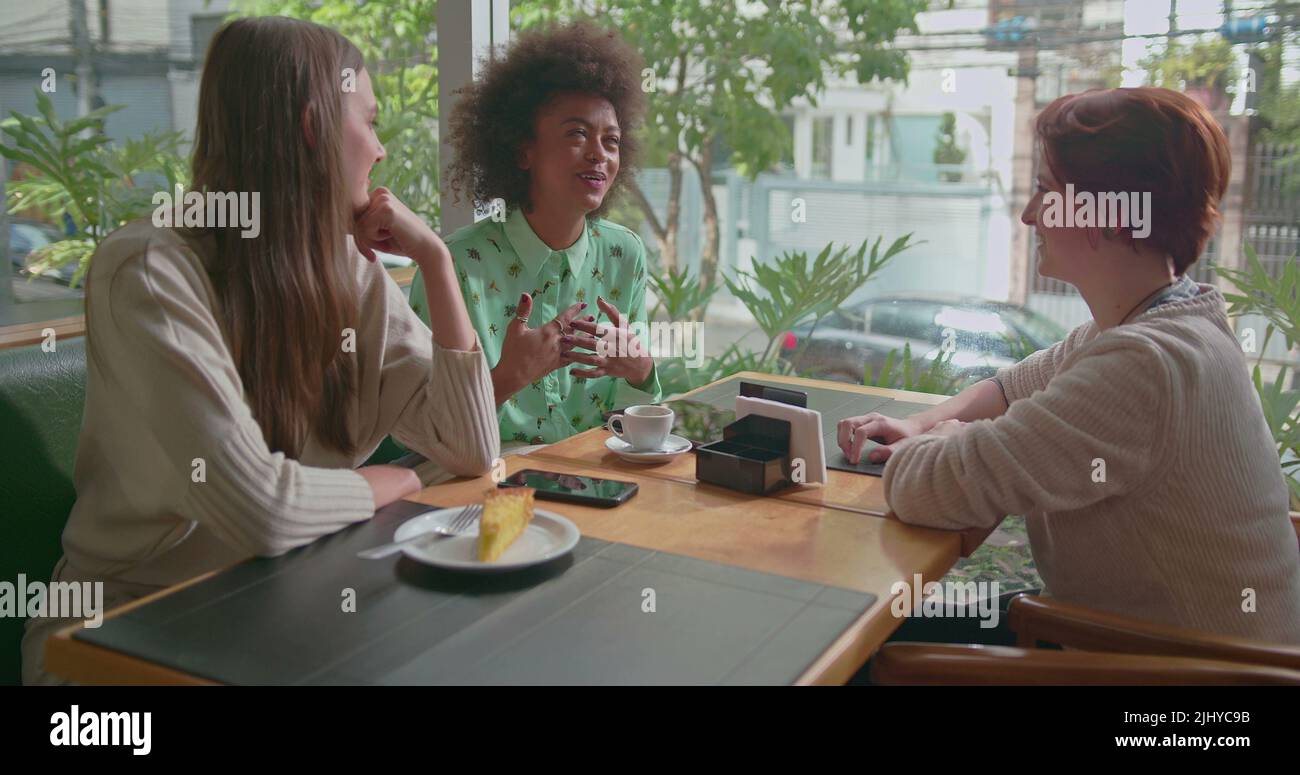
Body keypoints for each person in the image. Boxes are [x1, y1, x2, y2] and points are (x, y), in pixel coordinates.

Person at [21, 17, 500, 684]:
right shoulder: (149, 271)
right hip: (116, 645)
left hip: (281, 618)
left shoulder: (350, 270)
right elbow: (263, 509)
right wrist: (397, 479)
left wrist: (437, 264)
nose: (381, 149)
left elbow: (472, 447)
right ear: (313, 127)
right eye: (368, 120)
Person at [839, 87, 1300, 645]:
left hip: (1193, 691)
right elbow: (1012, 387)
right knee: (901, 620)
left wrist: (944, 441)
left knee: (863, 639)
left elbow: (925, 489)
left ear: (1108, 210)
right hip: (1155, 641)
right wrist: (922, 422)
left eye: (1045, 192)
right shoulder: (1167, 318)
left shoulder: (1146, 365)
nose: (1030, 215)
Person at [410, 21, 661, 448]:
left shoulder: (626, 254)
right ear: (523, 150)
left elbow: (631, 424)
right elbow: (420, 434)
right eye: (577, 133)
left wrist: (639, 370)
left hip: (596, 479)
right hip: (489, 482)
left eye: (612, 140)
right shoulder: (454, 266)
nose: (599, 153)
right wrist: (510, 377)